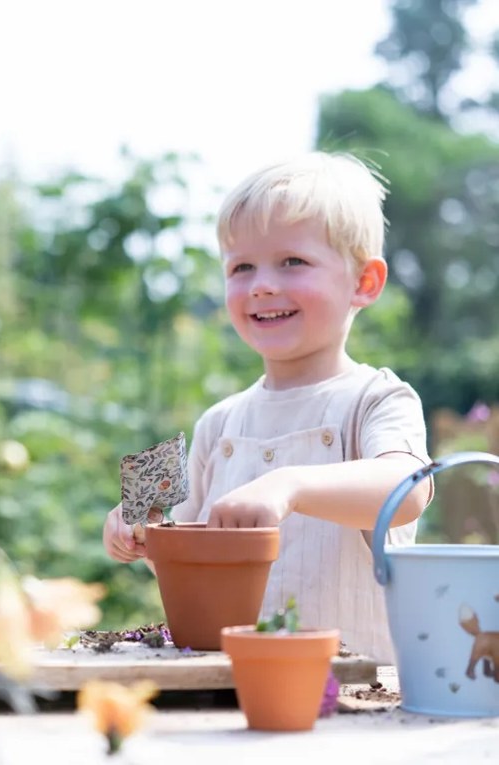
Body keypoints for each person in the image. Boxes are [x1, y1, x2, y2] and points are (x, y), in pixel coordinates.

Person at [103, 152, 433, 662]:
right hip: (232, 682)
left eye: (292, 262)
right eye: (241, 267)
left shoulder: (376, 398)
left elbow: (407, 489)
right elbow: (182, 546)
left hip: (354, 692)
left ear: (364, 283)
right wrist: (138, 528)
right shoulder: (220, 422)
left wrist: (291, 484)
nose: (260, 284)